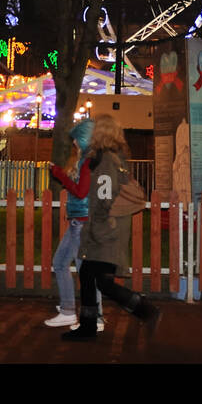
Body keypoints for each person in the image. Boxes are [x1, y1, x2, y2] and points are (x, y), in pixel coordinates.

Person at [62, 114, 160, 342]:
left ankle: (145, 310)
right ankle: (91, 325)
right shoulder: (115, 157)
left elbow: (104, 196)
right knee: (92, 276)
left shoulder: (105, 160)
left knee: (96, 278)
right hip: (111, 227)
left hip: (106, 228)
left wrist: (96, 225)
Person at [46, 119, 104, 330]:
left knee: (80, 270)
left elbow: (81, 192)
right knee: (62, 263)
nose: (74, 144)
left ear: (84, 138)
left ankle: (92, 317)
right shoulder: (90, 160)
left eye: (77, 139)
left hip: (82, 223)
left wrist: (59, 175)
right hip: (79, 221)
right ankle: (70, 311)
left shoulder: (88, 162)